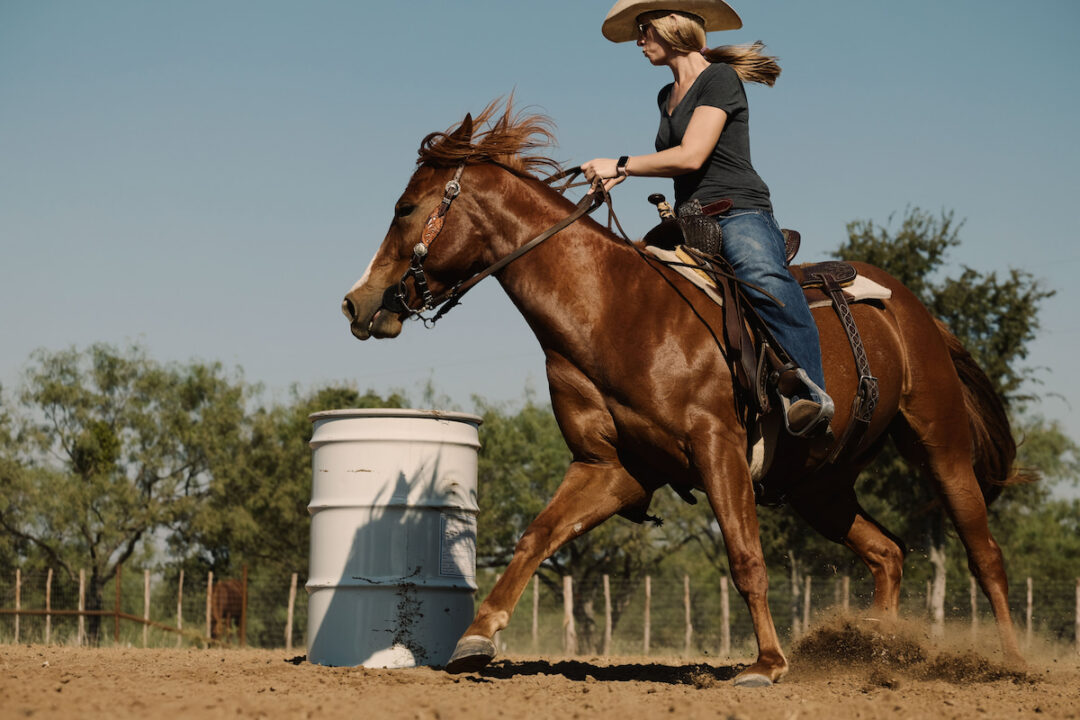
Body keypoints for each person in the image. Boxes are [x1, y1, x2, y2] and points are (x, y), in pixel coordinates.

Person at [581, 0, 833, 437]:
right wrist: (620, 176)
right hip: (689, 219)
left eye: (644, 29)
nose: (639, 41)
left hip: (738, 211)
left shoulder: (719, 78)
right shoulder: (666, 95)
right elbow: (671, 160)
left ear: (671, 26)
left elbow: (692, 155)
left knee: (763, 277)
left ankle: (809, 395)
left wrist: (621, 164)